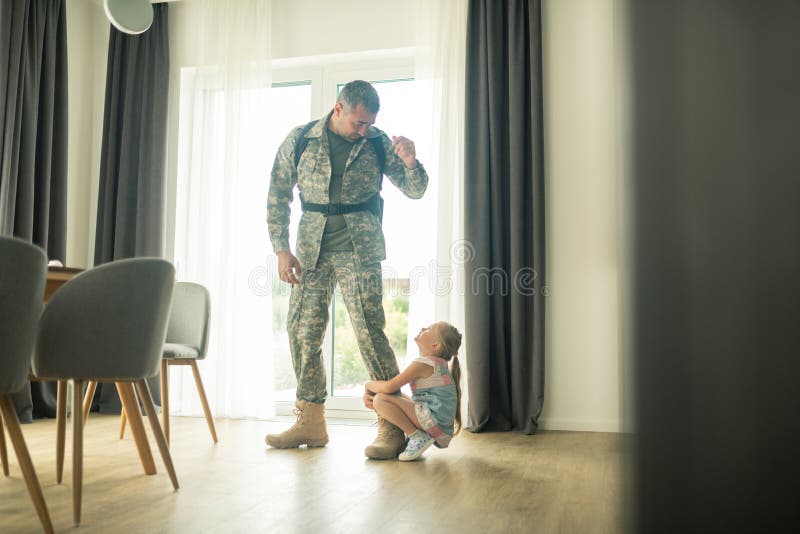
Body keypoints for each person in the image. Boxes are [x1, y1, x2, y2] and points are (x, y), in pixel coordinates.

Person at [265, 80, 429, 459]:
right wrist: (281, 249)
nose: (363, 130)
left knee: (371, 335)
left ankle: (392, 426)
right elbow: (277, 194)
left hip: (360, 250)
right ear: (338, 108)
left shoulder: (376, 142)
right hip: (311, 251)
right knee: (302, 333)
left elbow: (415, 188)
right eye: (358, 122)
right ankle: (310, 421)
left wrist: (410, 161)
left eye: (369, 123)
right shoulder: (302, 139)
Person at [364, 321, 463, 461]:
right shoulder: (439, 364)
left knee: (380, 399)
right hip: (440, 426)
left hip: (433, 421)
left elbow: (389, 387)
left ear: (435, 345)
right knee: (398, 396)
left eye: (428, 329)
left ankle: (417, 436)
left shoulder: (424, 364)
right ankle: (418, 436)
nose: (423, 328)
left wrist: (368, 385)